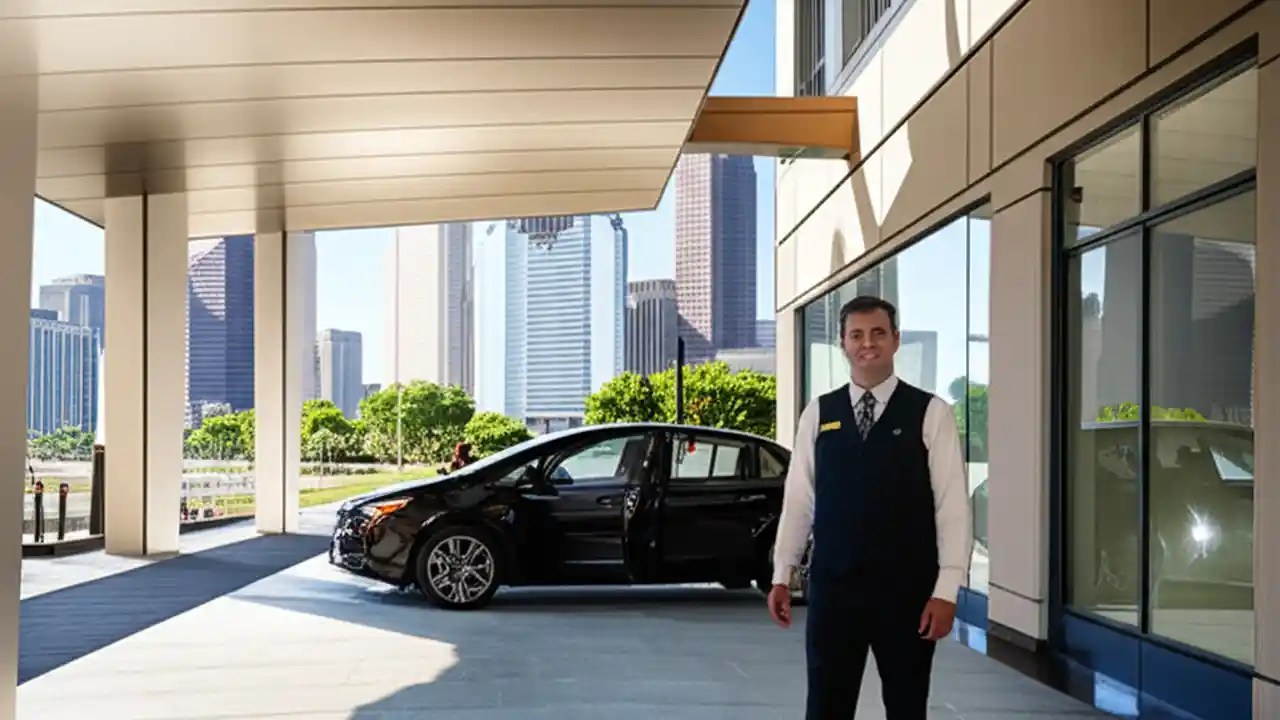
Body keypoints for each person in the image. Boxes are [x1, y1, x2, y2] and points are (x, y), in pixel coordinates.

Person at [767, 295, 972, 720]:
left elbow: (952, 508)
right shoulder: (819, 414)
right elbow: (800, 500)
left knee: (906, 705)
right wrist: (781, 574)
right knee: (826, 706)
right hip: (834, 591)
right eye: (856, 335)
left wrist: (946, 591)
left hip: (908, 594)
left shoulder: (930, 413)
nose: (867, 343)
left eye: (878, 333)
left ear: (896, 340)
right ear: (842, 344)